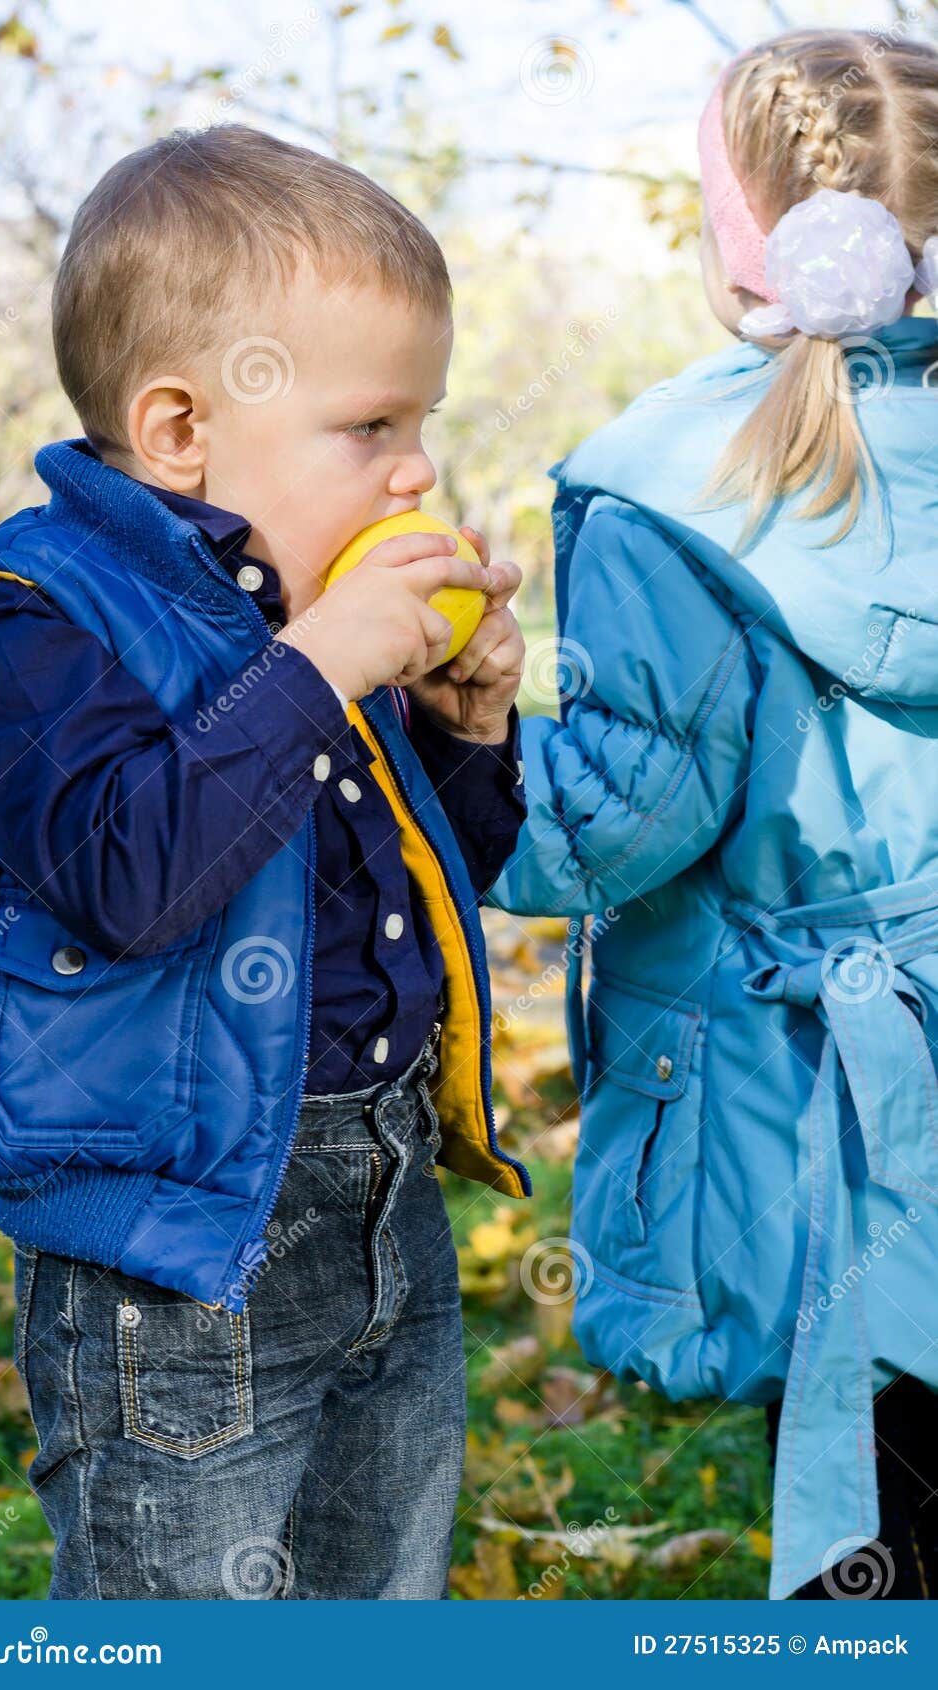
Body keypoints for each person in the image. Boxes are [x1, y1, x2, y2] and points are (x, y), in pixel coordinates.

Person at [0, 124, 532, 1599]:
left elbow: (425, 899)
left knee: (381, 1589)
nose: (417, 465)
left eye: (423, 419)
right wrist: (320, 666)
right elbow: (135, 877)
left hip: (384, 1195)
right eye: (371, 426)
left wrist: (465, 734)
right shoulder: (19, 625)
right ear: (179, 430)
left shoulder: (292, 621)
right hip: (172, 1257)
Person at [486, 27, 938, 1600]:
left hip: (809, 1103)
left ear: (739, 243)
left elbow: (622, 822)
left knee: (871, 1484)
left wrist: (462, 735)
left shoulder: (683, 487)